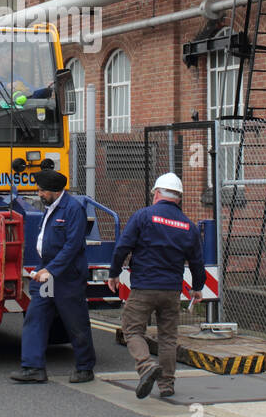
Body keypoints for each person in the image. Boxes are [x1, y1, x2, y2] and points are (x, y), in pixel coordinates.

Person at [108, 173, 205, 400]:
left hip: (144, 286)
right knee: (168, 337)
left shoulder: (143, 216)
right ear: (178, 198)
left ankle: (145, 366)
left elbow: (123, 246)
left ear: (158, 193)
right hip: (171, 290)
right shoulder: (189, 227)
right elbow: (197, 262)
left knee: (132, 329)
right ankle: (167, 385)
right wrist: (197, 287)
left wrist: (114, 273)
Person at [10, 168, 97, 384]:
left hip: (66, 277)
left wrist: (51, 269)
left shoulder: (72, 209)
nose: (39, 194)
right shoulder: (50, 207)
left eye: (42, 191)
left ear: (55, 191)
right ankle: (32, 367)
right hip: (47, 275)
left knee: (75, 322)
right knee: (36, 316)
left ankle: (85, 368)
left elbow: (73, 246)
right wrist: (43, 268)